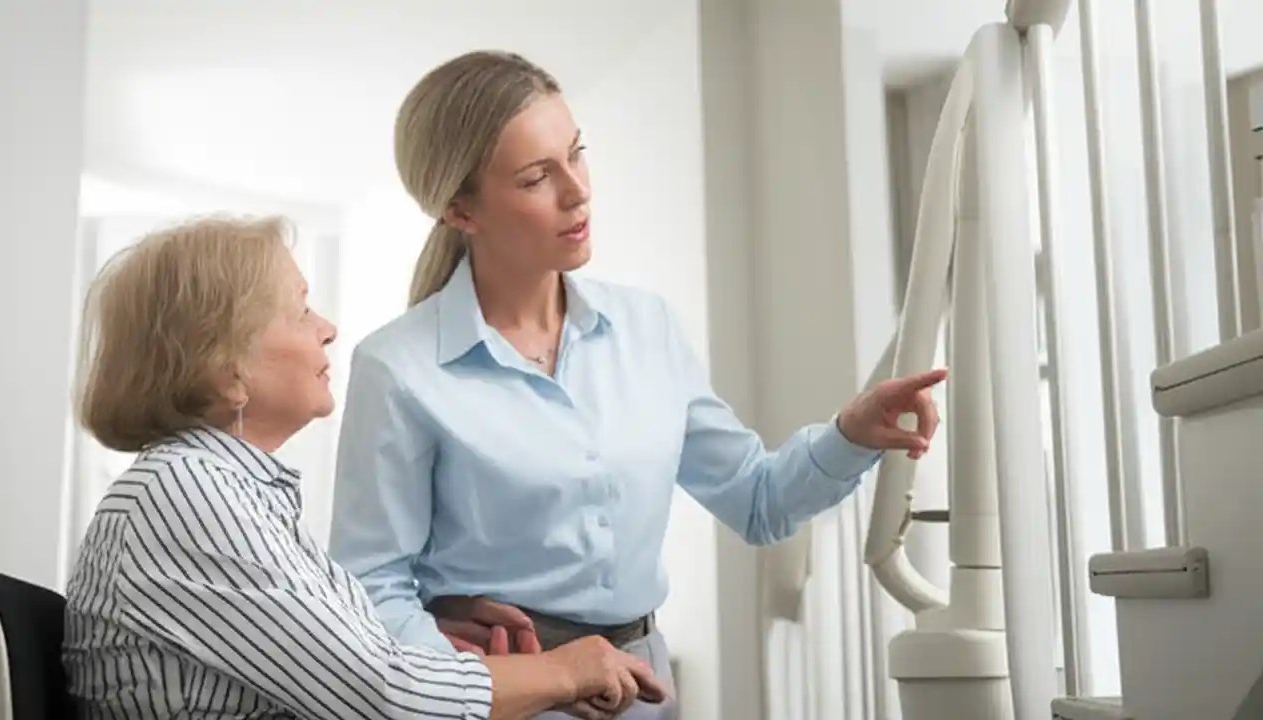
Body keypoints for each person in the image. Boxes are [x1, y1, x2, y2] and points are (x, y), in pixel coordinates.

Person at [329, 51, 945, 719]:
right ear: (460, 210)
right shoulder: (398, 367)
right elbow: (372, 585)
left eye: (577, 154)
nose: (577, 191)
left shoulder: (646, 327)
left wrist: (851, 435)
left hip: (646, 695)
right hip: (503, 700)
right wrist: (483, 675)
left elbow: (760, 502)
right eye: (537, 178)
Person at [62, 216, 665, 720]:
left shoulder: (222, 494)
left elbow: (351, 667)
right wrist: (564, 669)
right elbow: (386, 698)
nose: (327, 330)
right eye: (300, 312)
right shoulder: (184, 495)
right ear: (228, 371)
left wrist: (430, 623)